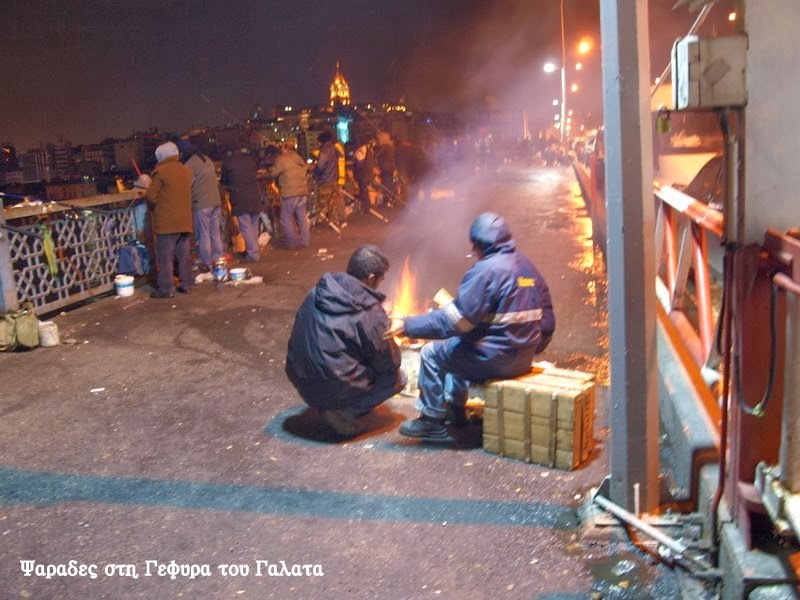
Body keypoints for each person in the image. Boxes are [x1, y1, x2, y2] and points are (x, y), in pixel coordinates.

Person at [390, 212, 555, 442]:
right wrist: (526, 348)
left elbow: (457, 321)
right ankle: (455, 411)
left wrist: (407, 325)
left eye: (474, 248)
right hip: (522, 359)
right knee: (459, 346)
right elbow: (547, 323)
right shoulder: (528, 267)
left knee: (431, 354)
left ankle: (431, 420)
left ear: (479, 245)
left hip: (495, 361)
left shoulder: (485, 272)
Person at [285, 244, 406, 436]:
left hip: (301, 378)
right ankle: (343, 412)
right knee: (397, 378)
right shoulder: (369, 311)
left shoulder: (317, 291)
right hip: (330, 385)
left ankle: (330, 402)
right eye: (382, 277)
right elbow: (389, 363)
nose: (382, 281)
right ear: (372, 277)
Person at [145, 141, 193, 299]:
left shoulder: (161, 172)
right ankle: (186, 284)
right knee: (184, 256)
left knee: (165, 257)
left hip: (167, 223)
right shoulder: (186, 170)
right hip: (185, 221)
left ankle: (167, 288)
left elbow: (151, 196)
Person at [178, 140, 223, 272]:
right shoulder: (206, 159)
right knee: (215, 233)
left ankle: (207, 263)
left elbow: (186, 185)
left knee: (204, 235)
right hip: (216, 201)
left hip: (203, 204)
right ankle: (219, 260)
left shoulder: (190, 164)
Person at [221, 145, 262, 262]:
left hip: (240, 197)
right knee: (254, 225)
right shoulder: (250, 159)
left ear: (229, 152)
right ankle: (255, 250)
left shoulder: (228, 162)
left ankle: (253, 254)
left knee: (245, 226)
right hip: (254, 195)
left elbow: (224, 181)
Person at [269, 141, 310, 249]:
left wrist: (266, 172)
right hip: (302, 192)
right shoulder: (299, 158)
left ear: (285, 148)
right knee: (301, 217)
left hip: (290, 192)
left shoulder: (282, 159)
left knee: (285, 217)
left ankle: (291, 241)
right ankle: (304, 241)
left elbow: (273, 173)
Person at [313, 131, 345, 226]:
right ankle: (333, 221)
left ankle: (322, 221)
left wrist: (315, 172)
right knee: (332, 202)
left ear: (322, 141)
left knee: (323, 202)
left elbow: (320, 165)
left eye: (318, 142)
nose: (317, 144)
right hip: (334, 178)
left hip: (325, 179)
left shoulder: (324, 150)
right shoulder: (334, 148)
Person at [353, 136, 376, 213]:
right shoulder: (369, 150)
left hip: (363, 174)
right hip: (369, 173)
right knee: (365, 190)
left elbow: (359, 163)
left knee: (364, 191)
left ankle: (366, 207)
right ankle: (367, 206)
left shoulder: (361, 150)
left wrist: (357, 172)